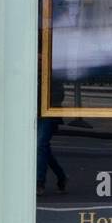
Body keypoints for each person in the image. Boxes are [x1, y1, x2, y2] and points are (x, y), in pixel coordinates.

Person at [37, 55, 68, 198]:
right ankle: (61, 176)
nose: (39, 62)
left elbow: (59, 95)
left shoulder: (52, 76)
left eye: (41, 60)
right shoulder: (30, 73)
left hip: (47, 114)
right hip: (35, 113)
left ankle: (39, 182)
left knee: (40, 145)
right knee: (42, 149)